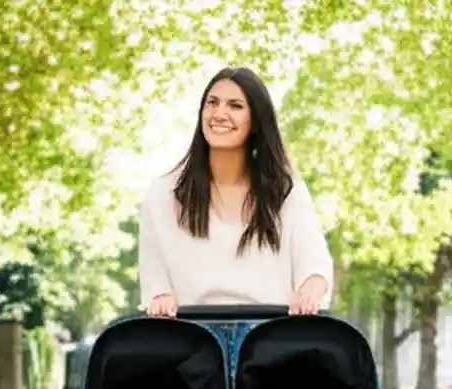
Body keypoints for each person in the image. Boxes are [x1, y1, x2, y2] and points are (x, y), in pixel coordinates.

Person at [137, 66, 334, 318]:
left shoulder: (285, 191)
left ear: (255, 122)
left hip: (269, 341)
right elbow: (155, 281)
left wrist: (312, 285)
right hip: (194, 341)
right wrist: (160, 298)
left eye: (235, 106)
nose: (219, 113)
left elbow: (313, 260)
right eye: (212, 103)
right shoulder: (164, 195)